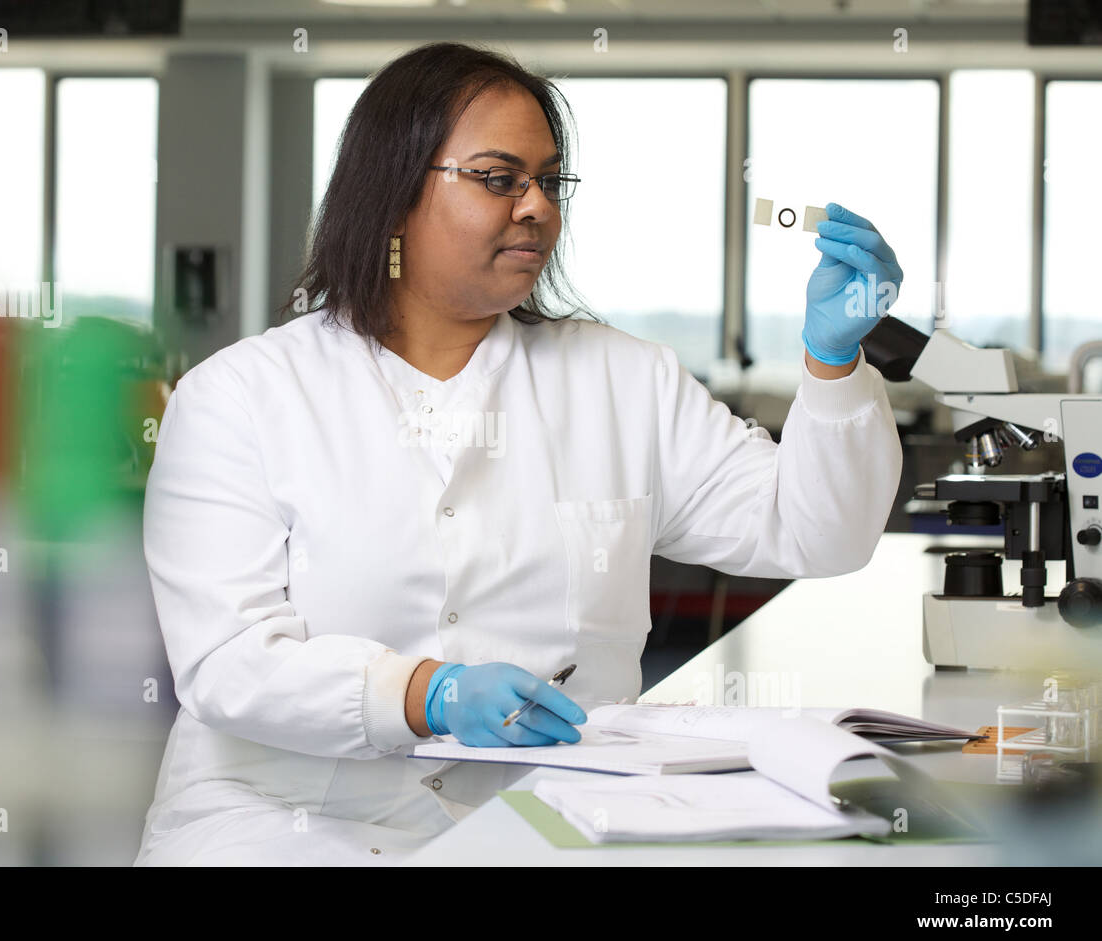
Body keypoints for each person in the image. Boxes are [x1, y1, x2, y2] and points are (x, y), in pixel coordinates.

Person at [133, 41, 904, 866]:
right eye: (500, 178)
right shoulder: (242, 396)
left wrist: (832, 363)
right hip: (279, 822)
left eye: (549, 180)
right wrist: (426, 694)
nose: (536, 206)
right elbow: (228, 662)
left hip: (551, 816)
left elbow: (813, 533)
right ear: (392, 194)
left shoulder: (623, 379)